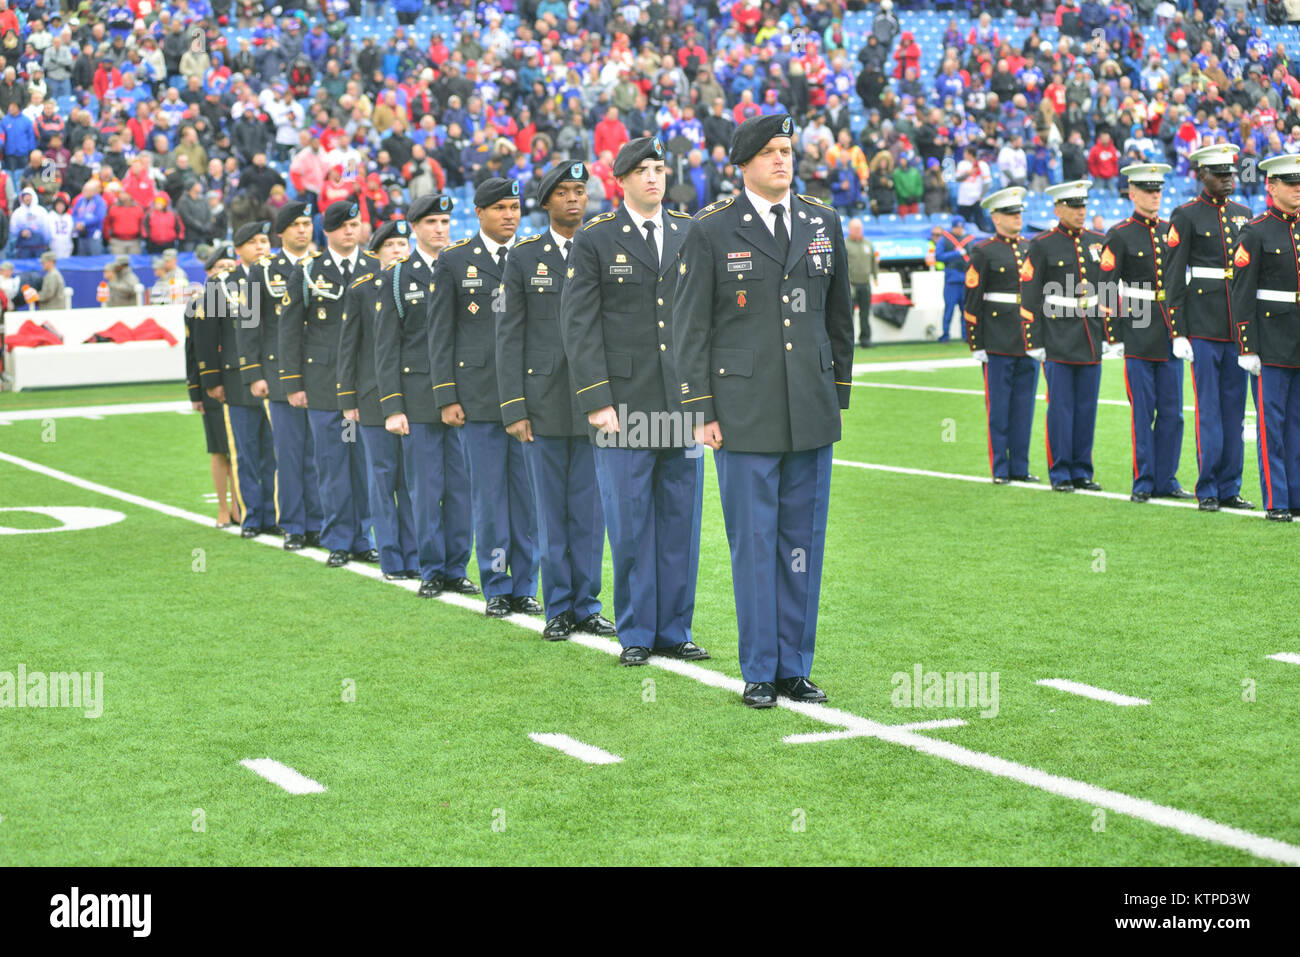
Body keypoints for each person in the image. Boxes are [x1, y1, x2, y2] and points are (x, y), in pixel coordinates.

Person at [674, 113, 851, 707]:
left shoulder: (822, 220)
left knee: (803, 542)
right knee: (754, 543)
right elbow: (690, 328)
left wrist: (836, 393)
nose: (782, 160)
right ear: (743, 163)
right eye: (771, 151)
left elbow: (838, 317)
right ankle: (759, 668)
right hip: (742, 412)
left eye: (787, 150)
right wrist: (700, 409)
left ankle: (794, 665)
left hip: (810, 406)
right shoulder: (710, 229)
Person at [560, 136, 708, 667]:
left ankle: (674, 629)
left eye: (659, 168)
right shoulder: (596, 237)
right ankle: (638, 632)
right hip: (623, 407)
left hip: (681, 403)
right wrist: (596, 398)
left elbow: (704, 319)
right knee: (630, 521)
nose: (653, 177)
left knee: (680, 520)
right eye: (642, 169)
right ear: (620, 180)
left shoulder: (690, 231)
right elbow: (578, 324)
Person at [498, 161, 614, 641]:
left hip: (593, 401)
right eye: (563, 192)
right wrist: (514, 407)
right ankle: (559, 607)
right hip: (543, 402)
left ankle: (587, 604)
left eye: (580, 191)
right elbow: (508, 335)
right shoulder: (524, 258)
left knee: (589, 511)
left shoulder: (604, 246)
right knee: (549, 511)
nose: (573, 199)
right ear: (546, 202)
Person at [430, 178, 541, 617]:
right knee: (490, 499)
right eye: (499, 208)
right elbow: (440, 333)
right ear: (478, 213)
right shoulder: (455, 261)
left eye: (514, 207)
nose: (509, 215)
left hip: (529, 399)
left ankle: (525, 585)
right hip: (478, 399)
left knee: (526, 498)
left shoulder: (532, 255)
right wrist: (446, 395)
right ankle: (497, 583)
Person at [374, 193, 478, 600]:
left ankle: (457, 567)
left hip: (464, 397)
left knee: (461, 489)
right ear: (415, 227)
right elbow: (386, 347)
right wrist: (392, 407)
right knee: (426, 489)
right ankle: (431, 568)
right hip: (418, 399)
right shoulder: (397, 277)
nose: (440, 229)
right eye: (432, 222)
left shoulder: (463, 266)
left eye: (445, 222)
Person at [279, 200, 376, 567]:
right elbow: (289, 329)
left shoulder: (374, 267)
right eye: (343, 226)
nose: (351, 231)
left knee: (363, 463)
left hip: (365, 383)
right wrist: (293, 383)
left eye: (355, 224)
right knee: (333, 463)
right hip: (324, 383)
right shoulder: (308, 271)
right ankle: (338, 538)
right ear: (329, 231)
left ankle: (363, 537)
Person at [1166, 144, 1257, 512]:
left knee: (1235, 411)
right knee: (1209, 410)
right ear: (1201, 174)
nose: (1227, 179)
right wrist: (1177, 330)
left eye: (1230, 173)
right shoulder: (1185, 215)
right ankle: (1207, 488)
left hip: (1236, 327)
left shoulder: (1244, 214)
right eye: (1219, 174)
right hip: (1203, 325)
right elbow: (1174, 275)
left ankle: (1230, 487)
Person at [1100, 163, 1194, 503]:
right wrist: (1113, 335)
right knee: (1143, 412)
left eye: (1159, 190)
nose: (1155, 195)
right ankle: (1143, 480)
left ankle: (1166, 478)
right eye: (1148, 190)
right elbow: (1107, 287)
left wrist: (1183, 330)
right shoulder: (1119, 234)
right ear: (1132, 193)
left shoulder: (1171, 230)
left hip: (1169, 330)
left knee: (1173, 413)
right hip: (1137, 328)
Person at [339, 217, 420, 576]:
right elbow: (348, 349)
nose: (398, 250)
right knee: (383, 479)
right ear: (376, 253)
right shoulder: (361, 290)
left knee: (413, 481)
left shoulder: (422, 282)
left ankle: (415, 556)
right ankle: (391, 557)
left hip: (415, 396)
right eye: (391, 246)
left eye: (403, 244)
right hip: (373, 397)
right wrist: (348, 400)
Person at [1020, 180, 1107, 493]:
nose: (1080, 212)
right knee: (1061, 408)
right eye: (1073, 206)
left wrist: (1109, 333)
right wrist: (1033, 340)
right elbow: (1030, 294)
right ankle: (1060, 472)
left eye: (1083, 206)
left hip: (1090, 334)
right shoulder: (1042, 245)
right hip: (1057, 335)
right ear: (1058, 209)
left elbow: (1106, 290)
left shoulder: (1098, 241)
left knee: (1086, 408)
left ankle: (1082, 470)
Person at [194, 221, 279, 538]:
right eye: (254, 242)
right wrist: (212, 380)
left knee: (273, 453)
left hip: (275, 377)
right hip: (236, 380)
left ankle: (273, 514)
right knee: (245, 453)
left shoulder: (279, 276)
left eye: (264, 241)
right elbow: (207, 336)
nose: (261, 247)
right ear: (239, 248)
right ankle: (251, 517)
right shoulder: (221, 285)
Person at [1230, 154, 1300, 521]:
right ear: (1271, 186)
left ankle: (1297, 495)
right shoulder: (1255, 231)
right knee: (1272, 424)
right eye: (1291, 183)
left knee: (1297, 424)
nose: (1298, 189)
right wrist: (1247, 346)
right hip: (1270, 342)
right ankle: (1277, 500)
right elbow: (1242, 292)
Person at [256, 201, 323, 550]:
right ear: (280, 231)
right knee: (290, 454)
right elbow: (249, 322)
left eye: (307, 224)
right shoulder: (263, 270)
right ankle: (294, 525)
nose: (302, 230)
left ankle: (320, 523)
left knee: (320, 454)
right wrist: (253, 372)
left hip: (322, 374)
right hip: (280, 372)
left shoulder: (323, 265)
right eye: (295, 224)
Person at [964, 187, 1040, 485]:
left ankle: (1020, 466)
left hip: (1027, 340)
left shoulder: (1030, 247)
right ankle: (1000, 468)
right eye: (1010, 213)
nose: (1017, 217)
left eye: (1019, 212)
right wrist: (976, 342)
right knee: (999, 408)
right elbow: (972, 299)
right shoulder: (984, 251)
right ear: (996, 218)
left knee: (1024, 407)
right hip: (997, 340)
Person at [185, 244, 240, 528]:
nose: (226, 272)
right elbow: (193, 351)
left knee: (243, 450)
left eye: (231, 266)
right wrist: (195, 390)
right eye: (220, 267)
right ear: (208, 273)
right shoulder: (197, 303)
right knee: (220, 449)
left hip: (241, 382)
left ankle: (241, 506)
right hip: (214, 385)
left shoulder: (246, 299)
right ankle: (223, 508)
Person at [935, 217, 974, 342]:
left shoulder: (969, 239)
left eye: (961, 227)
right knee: (949, 309)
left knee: (965, 310)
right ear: (953, 227)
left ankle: (966, 336)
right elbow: (938, 256)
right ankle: (945, 335)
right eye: (957, 227)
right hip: (952, 280)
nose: (959, 229)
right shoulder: (945, 239)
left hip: (966, 279)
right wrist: (955, 254)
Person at [845, 217, 877, 347]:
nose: (858, 230)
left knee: (865, 313)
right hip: (851, 284)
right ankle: (848, 341)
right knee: (849, 314)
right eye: (856, 228)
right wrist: (846, 281)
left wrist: (875, 276)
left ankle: (865, 339)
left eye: (860, 228)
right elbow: (843, 265)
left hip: (865, 283)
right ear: (850, 230)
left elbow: (873, 261)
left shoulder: (867, 243)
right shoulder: (845, 244)